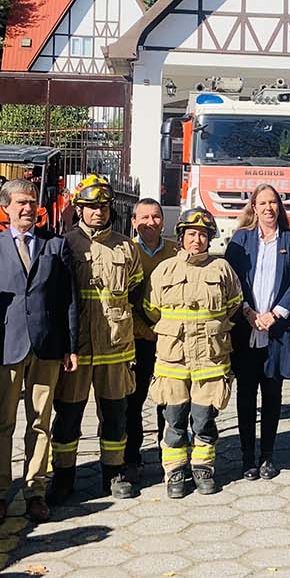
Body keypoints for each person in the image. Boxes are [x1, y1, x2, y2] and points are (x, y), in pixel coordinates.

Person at [0, 179, 79, 527]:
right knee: (1, 422)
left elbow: (68, 299)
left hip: (47, 346)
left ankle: (35, 490)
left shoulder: (55, 245)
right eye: (20, 202)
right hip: (6, 345)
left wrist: (70, 345)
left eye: (32, 203)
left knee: (40, 422)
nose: (27, 209)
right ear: (5, 207)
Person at [54, 176, 143, 502]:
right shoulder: (66, 244)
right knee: (68, 417)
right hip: (77, 350)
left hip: (116, 347)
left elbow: (135, 288)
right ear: (79, 209)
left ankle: (114, 473)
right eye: (90, 207)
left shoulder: (125, 246)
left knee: (116, 415)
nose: (97, 212)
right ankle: (63, 476)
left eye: (102, 207)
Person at [147, 208, 243, 497]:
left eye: (203, 234)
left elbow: (234, 304)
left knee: (204, 419)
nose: (197, 240)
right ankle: (175, 472)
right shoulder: (164, 270)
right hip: (173, 360)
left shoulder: (222, 269)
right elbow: (151, 310)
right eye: (191, 234)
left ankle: (203, 468)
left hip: (210, 360)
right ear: (181, 237)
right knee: (174, 420)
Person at [224, 185, 290, 480]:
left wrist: (276, 313)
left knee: (272, 395)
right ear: (253, 207)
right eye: (262, 203)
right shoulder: (241, 240)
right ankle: (247, 458)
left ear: (279, 207)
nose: (268, 208)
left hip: (276, 332)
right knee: (245, 396)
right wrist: (247, 312)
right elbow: (229, 280)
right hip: (246, 329)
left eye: (273, 203)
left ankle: (267, 456)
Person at [128, 198, 179, 478]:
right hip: (138, 339)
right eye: (144, 217)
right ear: (133, 221)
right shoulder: (127, 251)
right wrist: (148, 332)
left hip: (170, 343)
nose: (151, 222)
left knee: (169, 401)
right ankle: (132, 457)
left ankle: (167, 455)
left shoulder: (175, 251)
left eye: (156, 216)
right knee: (134, 402)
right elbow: (123, 301)